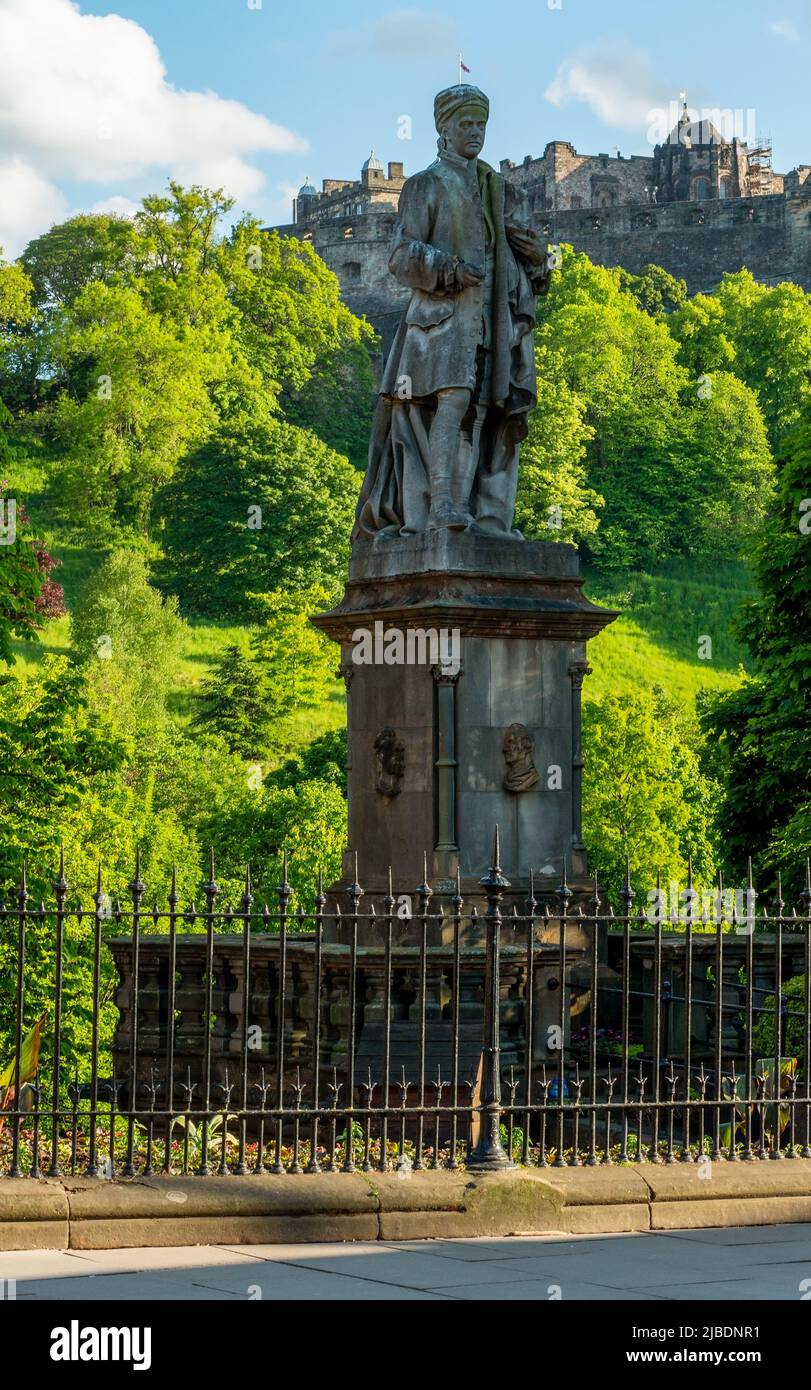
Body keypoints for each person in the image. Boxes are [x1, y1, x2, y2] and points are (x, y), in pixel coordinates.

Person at [352, 84, 551, 542]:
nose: (475, 132)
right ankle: (442, 506)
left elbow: (530, 270)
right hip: (438, 324)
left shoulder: (502, 191)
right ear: (444, 128)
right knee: (454, 400)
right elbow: (401, 254)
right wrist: (451, 269)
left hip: (492, 324)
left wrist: (539, 259)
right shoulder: (427, 184)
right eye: (466, 124)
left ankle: (479, 514)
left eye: (481, 124)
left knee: (485, 410)